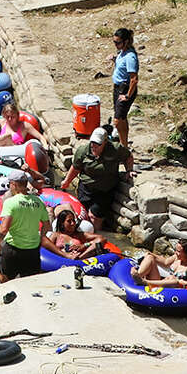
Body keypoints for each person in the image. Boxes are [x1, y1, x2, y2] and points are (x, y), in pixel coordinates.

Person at [59, 124, 126, 228]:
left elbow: (128, 157)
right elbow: (76, 167)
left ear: (105, 142)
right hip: (86, 188)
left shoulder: (115, 149)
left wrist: (129, 170)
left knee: (94, 216)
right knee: (81, 213)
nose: (94, 146)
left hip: (105, 190)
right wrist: (67, 181)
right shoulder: (83, 151)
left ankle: (94, 234)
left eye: (97, 144)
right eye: (92, 143)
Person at [0, 170, 48, 279]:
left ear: (14, 185)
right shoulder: (39, 202)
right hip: (32, 251)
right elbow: (46, 225)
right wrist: (41, 239)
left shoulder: (11, 202)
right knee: (30, 281)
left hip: (13, 249)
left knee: (4, 278)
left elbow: (3, 229)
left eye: (9, 184)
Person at [110, 27, 139, 156]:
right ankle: (124, 146)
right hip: (117, 87)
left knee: (117, 120)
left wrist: (127, 95)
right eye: (114, 42)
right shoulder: (122, 53)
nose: (116, 45)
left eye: (118, 43)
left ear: (126, 42)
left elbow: (134, 79)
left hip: (125, 89)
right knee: (122, 118)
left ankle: (123, 150)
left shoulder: (130, 56)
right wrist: (114, 60)